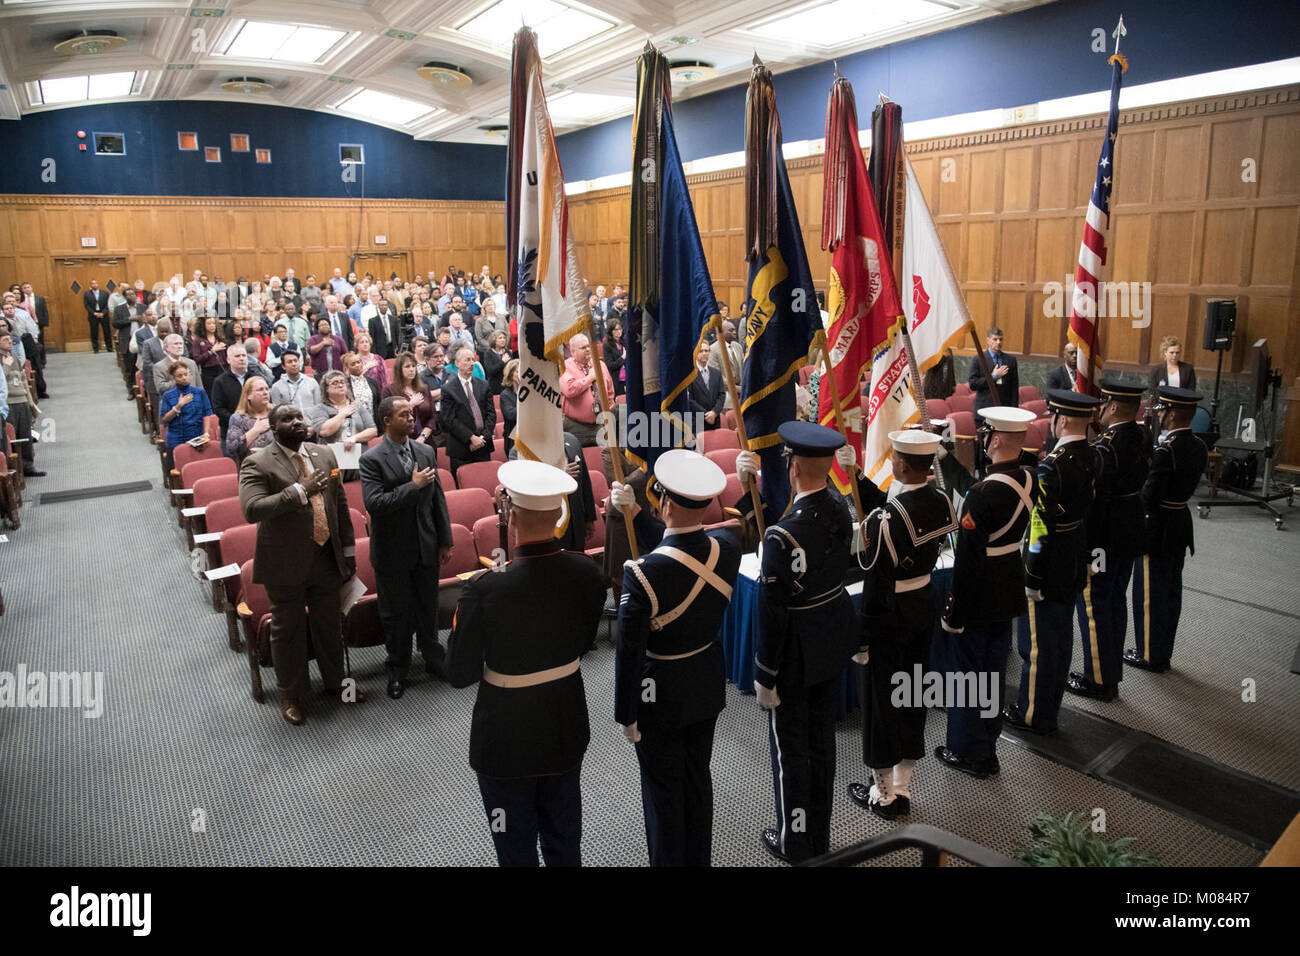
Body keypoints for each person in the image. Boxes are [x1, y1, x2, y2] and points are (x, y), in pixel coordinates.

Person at [446, 459, 606, 867]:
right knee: (564, 838)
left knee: (513, 847)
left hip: (505, 739)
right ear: (559, 516)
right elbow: (584, 643)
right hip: (564, 724)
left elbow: (459, 675)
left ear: (510, 517)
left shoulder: (482, 590)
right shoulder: (587, 572)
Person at [611, 450, 740, 866]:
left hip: (658, 697)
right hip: (704, 683)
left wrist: (625, 713)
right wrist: (636, 516)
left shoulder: (641, 573)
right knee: (697, 781)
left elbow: (629, 653)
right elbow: (682, 548)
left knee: (663, 794)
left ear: (664, 502)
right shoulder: (728, 548)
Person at [738, 422, 858, 864]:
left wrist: (764, 674)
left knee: (791, 753)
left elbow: (772, 615)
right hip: (830, 643)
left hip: (793, 657)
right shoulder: (840, 508)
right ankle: (819, 835)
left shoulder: (781, 535)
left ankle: (796, 840)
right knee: (822, 745)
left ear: (792, 467)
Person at [845, 430, 957, 819]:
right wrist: (858, 478)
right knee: (912, 694)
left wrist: (861, 641)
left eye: (894, 458)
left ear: (903, 464)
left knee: (880, 703)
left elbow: (874, 592)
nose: (891, 460)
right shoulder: (940, 499)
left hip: (890, 614)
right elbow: (901, 511)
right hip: (923, 604)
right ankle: (904, 786)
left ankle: (883, 795)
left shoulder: (884, 522)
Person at [238, 405, 364, 725]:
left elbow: (340, 505)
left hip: (325, 557)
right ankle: (290, 695)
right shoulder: (258, 461)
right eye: (286, 419)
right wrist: (298, 492)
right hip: (285, 564)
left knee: (329, 626)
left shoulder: (324, 454)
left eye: (299, 417)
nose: (296, 422)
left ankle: (336, 684)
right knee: (288, 632)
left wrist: (347, 552)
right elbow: (252, 509)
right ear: (273, 427)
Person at [934, 406, 1039, 778]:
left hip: (978, 595)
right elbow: (979, 487)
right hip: (1008, 586)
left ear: (994, 440)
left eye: (985, 435)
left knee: (968, 676)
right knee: (992, 674)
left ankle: (965, 750)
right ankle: (987, 747)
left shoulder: (982, 495)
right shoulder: (1029, 477)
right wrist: (944, 456)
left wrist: (953, 611)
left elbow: (967, 562)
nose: (981, 439)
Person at [1003, 389, 1102, 735]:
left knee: (1037, 645)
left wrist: (1031, 574)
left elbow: (1041, 524)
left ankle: (1033, 714)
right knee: (1060, 638)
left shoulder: (1052, 467)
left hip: (1048, 562)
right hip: (1073, 555)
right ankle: (1050, 707)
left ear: (1060, 420)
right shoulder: (1092, 456)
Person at [360, 396, 454, 700]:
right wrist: (412, 486)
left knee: (428, 608)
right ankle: (398, 668)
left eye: (412, 414)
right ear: (387, 421)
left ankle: (432, 658)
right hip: (392, 551)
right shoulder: (371, 459)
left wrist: (445, 540)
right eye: (403, 415)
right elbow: (375, 504)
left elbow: (437, 499)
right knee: (396, 614)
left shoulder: (426, 451)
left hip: (425, 544)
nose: (411, 419)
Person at [1067, 380, 1151, 701]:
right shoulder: (1142, 435)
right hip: (1129, 530)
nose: (1100, 408)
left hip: (1103, 536)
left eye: (1104, 404)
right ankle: (1110, 673)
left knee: (1094, 604)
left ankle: (1099, 680)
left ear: (1113, 406)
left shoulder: (1108, 446)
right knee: (1115, 600)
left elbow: (1093, 497)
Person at [1127, 386, 1208, 674]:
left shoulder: (1167, 450)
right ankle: (1163, 650)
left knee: (1150, 595)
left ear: (1172, 414)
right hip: (1180, 524)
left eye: (1161, 410)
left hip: (1157, 528)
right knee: (1171, 592)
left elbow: (1149, 495)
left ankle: (1149, 654)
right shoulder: (1198, 446)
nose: (1159, 414)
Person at [309, 370, 378, 478]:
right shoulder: (320, 408)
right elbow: (324, 431)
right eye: (335, 383)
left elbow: (373, 430)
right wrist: (342, 414)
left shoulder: (357, 405)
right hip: (332, 460)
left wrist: (354, 438)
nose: (340, 385)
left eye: (342, 382)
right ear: (326, 389)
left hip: (357, 458)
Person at [441, 343, 495, 477]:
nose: (472, 363)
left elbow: (491, 414)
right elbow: (449, 419)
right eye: (467, 360)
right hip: (461, 448)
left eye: (473, 359)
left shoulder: (483, 385)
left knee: (485, 481)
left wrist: (482, 438)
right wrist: (471, 438)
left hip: (483, 446)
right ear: (457, 363)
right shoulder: (448, 389)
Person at [559, 333, 614, 447]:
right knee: (581, 460)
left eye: (588, 346)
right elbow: (570, 389)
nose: (588, 349)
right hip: (576, 427)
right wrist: (589, 378)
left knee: (611, 453)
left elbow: (610, 391)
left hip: (601, 422)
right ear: (573, 351)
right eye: (583, 348)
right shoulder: (564, 367)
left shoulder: (600, 365)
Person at [0, 332, 42, 477]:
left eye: (10, 340)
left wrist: (30, 402)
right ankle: (15, 470)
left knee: (26, 434)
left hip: (21, 400)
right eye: (5, 340)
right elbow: (1, 381)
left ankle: (28, 466)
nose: (10, 343)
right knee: (13, 437)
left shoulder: (14, 358)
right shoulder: (3, 361)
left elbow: (23, 379)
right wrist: (5, 366)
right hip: (9, 403)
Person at [159, 360, 214, 458]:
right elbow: (164, 419)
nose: (184, 378)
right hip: (176, 439)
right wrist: (178, 407)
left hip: (197, 438)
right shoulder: (167, 395)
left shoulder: (199, 392)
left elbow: (206, 414)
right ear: (174, 378)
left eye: (186, 374)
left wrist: (206, 433)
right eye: (179, 376)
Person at [384, 353, 436, 448]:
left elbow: (432, 416)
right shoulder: (389, 391)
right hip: (402, 443)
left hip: (426, 441)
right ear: (399, 370)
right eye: (407, 367)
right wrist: (410, 405)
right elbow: (389, 418)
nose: (411, 369)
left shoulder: (424, 389)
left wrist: (423, 437)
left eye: (413, 366)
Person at [210, 346, 255, 445]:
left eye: (244, 355)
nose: (242, 358)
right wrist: (238, 421)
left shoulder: (256, 378)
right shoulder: (220, 381)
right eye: (237, 356)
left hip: (255, 430)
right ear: (228, 360)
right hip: (231, 433)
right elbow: (218, 408)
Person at [968, 326, 1019, 411]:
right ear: (988, 340)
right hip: (984, 408)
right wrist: (993, 376)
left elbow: (1014, 388)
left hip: (1004, 408)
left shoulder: (1011, 360)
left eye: (1001, 339)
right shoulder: (978, 359)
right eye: (995, 339)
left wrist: (1014, 410)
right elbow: (973, 384)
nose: (998, 342)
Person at [225, 376, 274, 463]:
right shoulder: (238, 418)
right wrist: (255, 431)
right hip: (252, 468)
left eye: (267, 389)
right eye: (260, 390)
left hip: (279, 466)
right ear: (248, 395)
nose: (265, 392)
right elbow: (232, 449)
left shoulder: (276, 412)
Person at [687, 341, 725, 430]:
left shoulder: (717, 373)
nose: (704, 353)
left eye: (706, 351)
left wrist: (714, 412)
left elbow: (722, 395)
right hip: (697, 420)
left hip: (715, 420)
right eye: (701, 351)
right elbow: (689, 399)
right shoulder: (689, 375)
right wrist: (706, 415)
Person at [707, 319, 742, 408]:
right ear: (721, 332)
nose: (734, 332)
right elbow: (715, 373)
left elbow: (743, 367)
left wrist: (743, 386)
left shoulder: (738, 347)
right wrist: (733, 387)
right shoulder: (713, 349)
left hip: (741, 391)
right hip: (725, 392)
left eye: (735, 330)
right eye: (731, 330)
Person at [191, 315, 229, 394]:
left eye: (213, 323)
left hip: (222, 370)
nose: (212, 325)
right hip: (208, 373)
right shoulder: (198, 340)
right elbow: (196, 359)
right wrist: (211, 351)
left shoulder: (220, 338)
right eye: (209, 323)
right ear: (203, 326)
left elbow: (227, 356)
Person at [353, 331, 391, 396]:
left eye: (367, 342)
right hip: (361, 393)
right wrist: (367, 367)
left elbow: (386, 377)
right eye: (362, 342)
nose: (365, 344)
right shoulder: (354, 360)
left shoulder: (378, 358)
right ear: (357, 345)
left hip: (379, 392)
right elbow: (353, 377)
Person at [479, 330, 512, 396]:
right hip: (495, 386)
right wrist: (502, 362)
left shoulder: (507, 352)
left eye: (504, 338)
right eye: (500, 338)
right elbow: (490, 371)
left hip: (507, 384)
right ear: (494, 340)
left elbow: (511, 368)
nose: (503, 340)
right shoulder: (488, 353)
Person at [83, 280, 111, 353]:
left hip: (103, 315)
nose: (94, 285)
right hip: (93, 315)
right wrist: (94, 313)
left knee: (107, 331)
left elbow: (108, 304)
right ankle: (95, 348)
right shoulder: (87, 294)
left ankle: (109, 347)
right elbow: (86, 305)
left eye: (95, 283)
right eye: (92, 284)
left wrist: (103, 313)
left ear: (98, 284)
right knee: (94, 332)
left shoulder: (105, 293)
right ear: (90, 285)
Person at [499, 359, 519, 456]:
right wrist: (528, 408)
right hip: (512, 438)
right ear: (511, 374)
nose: (520, 374)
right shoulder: (505, 395)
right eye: (517, 371)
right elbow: (511, 415)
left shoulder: (530, 392)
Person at [603, 318, 626, 397]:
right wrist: (622, 358)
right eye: (615, 330)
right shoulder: (607, 345)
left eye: (620, 329)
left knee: (629, 405)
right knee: (621, 407)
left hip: (628, 380)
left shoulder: (624, 341)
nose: (619, 332)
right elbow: (610, 365)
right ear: (610, 331)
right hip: (617, 382)